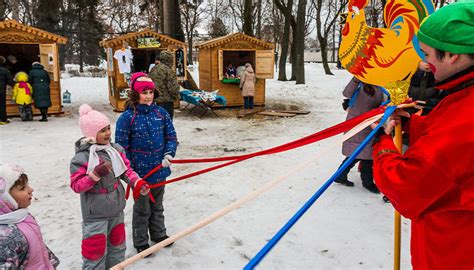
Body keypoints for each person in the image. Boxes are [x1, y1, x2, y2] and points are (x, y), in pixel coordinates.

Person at [372, 2, 474, 269]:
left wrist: (382, 144)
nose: (426, 63)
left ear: (452, 54)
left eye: (427, 54)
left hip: (454, 250)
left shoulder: (467, 115)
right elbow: (448, 141)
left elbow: (406, 186)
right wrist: (410, 125)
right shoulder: (463, 96)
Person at [70, 104, 149, 269]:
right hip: (95, 216)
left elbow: (126, 171)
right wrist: (94, 175)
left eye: (108, 128)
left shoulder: (115, 150)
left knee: (118, 248)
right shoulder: (82, 158)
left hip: (116, 211)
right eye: (102, 130)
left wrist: (137, 183)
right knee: (95, 254)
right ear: (91, 133)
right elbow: (77, 185)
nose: (108, 133)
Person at [115, 72, 178, 255]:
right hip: (140, 175)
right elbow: (121, 149)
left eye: (150, 92)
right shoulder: (127, 118)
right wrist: (131, 173)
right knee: (142, 209)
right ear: (135, 94)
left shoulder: (161, 113)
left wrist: (169, 154)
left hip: (159, 170)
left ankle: (159, 234)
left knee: (157, 205)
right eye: (144, 92)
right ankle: (141, 241)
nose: (148, 96)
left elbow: (171, 136)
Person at [0, 163, 60, 269]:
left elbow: (37, 247)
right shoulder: (4, 238)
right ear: (4, 199)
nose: (30, 189)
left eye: (27, 185)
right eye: (22, 188)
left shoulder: (23, 217)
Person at [334, 77, 384, 193]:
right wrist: (356, 79)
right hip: (356, 124)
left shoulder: (379, 87)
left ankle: (341, 175)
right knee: (360, 154)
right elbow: (346, 93)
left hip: (369, 124)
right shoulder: (359, 85)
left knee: (362, 154)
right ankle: (367, 183)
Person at [149, 51, 180, 118]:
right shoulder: (168, 71)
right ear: (169, 60)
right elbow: (173, 88)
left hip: (154, 100)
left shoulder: (153, 69)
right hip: (166, 102)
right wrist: (176, 96)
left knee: (157, 122)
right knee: (167, 122)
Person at [0, 56, 14, 125]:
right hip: (1, 90)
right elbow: (10, 81)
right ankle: (3, 119)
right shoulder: (5, 70)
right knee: (2, 105)